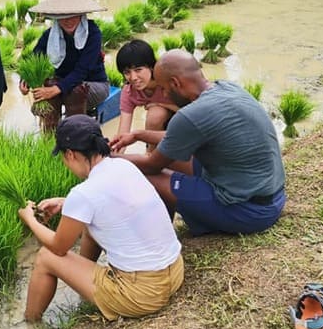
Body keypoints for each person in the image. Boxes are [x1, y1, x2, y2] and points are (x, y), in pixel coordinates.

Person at [17, 114, 183, 322]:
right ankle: (85, 285)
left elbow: (58, 248)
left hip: (142, 295)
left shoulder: (85, 193)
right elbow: (110, 203)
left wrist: (29, 219)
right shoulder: (124, 166)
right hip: (174, 273)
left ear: (70, 154)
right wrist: (65, 202)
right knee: (90, 224)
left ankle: (30, 324)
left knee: (45, 257)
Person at [110, 49, 286, 236]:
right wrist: (138, 135)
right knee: (168, 159)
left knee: (141, 174)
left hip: (248, 211)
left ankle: (162, 238)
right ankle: (170, 227)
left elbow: (152, 165)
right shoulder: (226, 88)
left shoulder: (190, 116)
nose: (164, 95)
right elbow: (176, 140)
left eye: (164, 89)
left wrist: (106, 156)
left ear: (175, 83)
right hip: (272, 197)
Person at [20, 0, 109, 132]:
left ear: (81, 14)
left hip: (94, 84)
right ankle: (49, 138)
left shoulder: (93, 34)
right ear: (56, 18)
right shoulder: (51, 35)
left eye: (73, 15)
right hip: (62, 84)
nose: (68, 21)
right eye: (62, 17)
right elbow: (33, 59)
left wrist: (56, 89)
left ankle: (75, 136)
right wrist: (25, 79)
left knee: (74, 91)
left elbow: (82, 71)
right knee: (48, 87)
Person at [114, 40, 176, 153]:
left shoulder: (169, 81)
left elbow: (196, 111)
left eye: (138, 70)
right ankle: (151, 154)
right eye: (127, 72)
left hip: (188, 123)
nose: (133, 78)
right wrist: (115, 155)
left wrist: (160, 104)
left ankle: (151, 156)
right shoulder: (129, 92)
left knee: (156, 113)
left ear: (151, 66)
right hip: (160, 132)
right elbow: (123, 133)